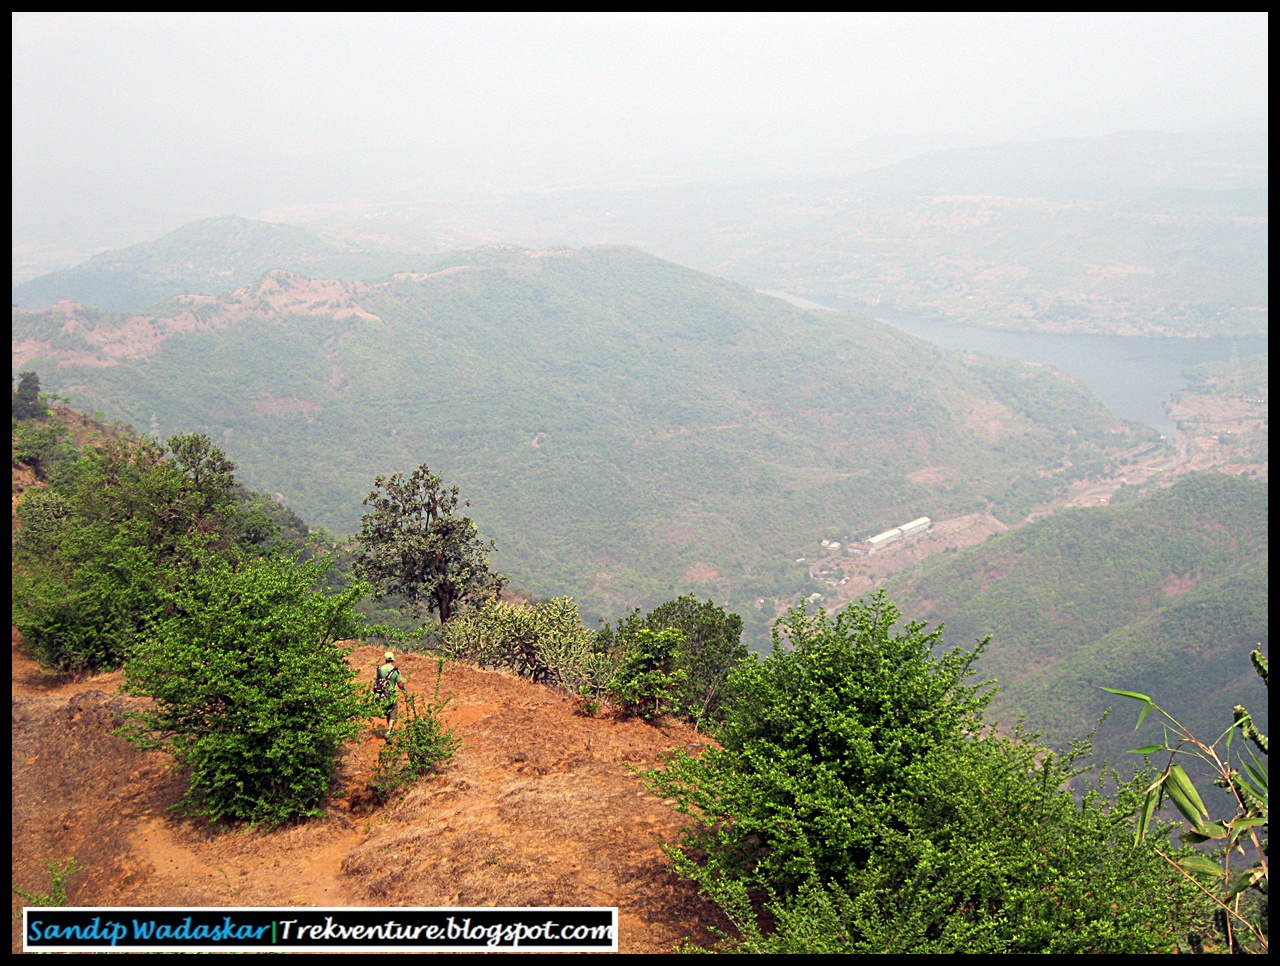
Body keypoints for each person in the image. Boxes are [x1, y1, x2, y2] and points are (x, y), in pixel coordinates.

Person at [374, 650, 406, 739]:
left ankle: (389, 730)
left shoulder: (379, 669)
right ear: (393, 660)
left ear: (385, 659)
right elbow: (400, 685)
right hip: (392, 696)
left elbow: (376, 682)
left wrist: (373, 693)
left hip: (382, 696)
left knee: (387, 713)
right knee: (393, 714)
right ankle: (390, 731)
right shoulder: (396, 671)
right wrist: (404, 690)